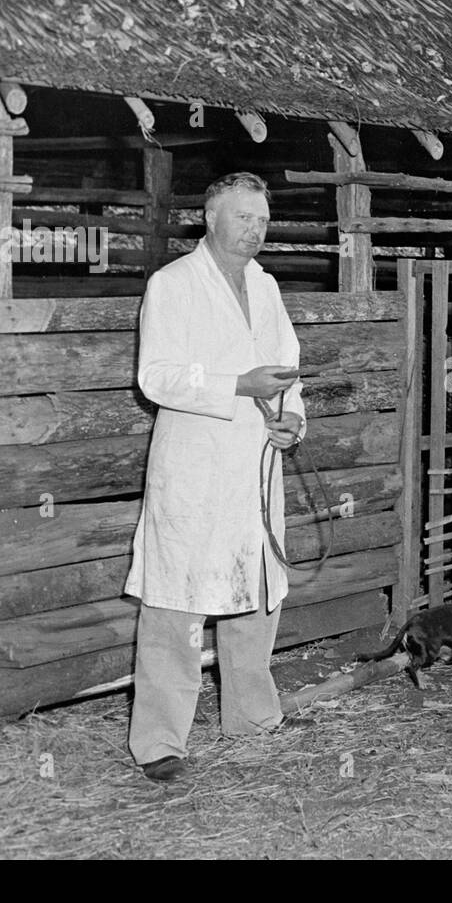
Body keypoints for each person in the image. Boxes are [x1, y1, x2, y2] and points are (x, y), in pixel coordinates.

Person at [125, 172, 306, 781]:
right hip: (196, 465)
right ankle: (159, 742)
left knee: (255, 588)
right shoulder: (172, 284)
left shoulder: (267, 285)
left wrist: (291, 421)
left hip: (255, 458)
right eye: (242, 218)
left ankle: (251, 718)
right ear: (210, 218)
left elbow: (289, 370)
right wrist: (237, 386)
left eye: (262, 219)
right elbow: (157, 377)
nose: (255, 230)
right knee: (175, 602)